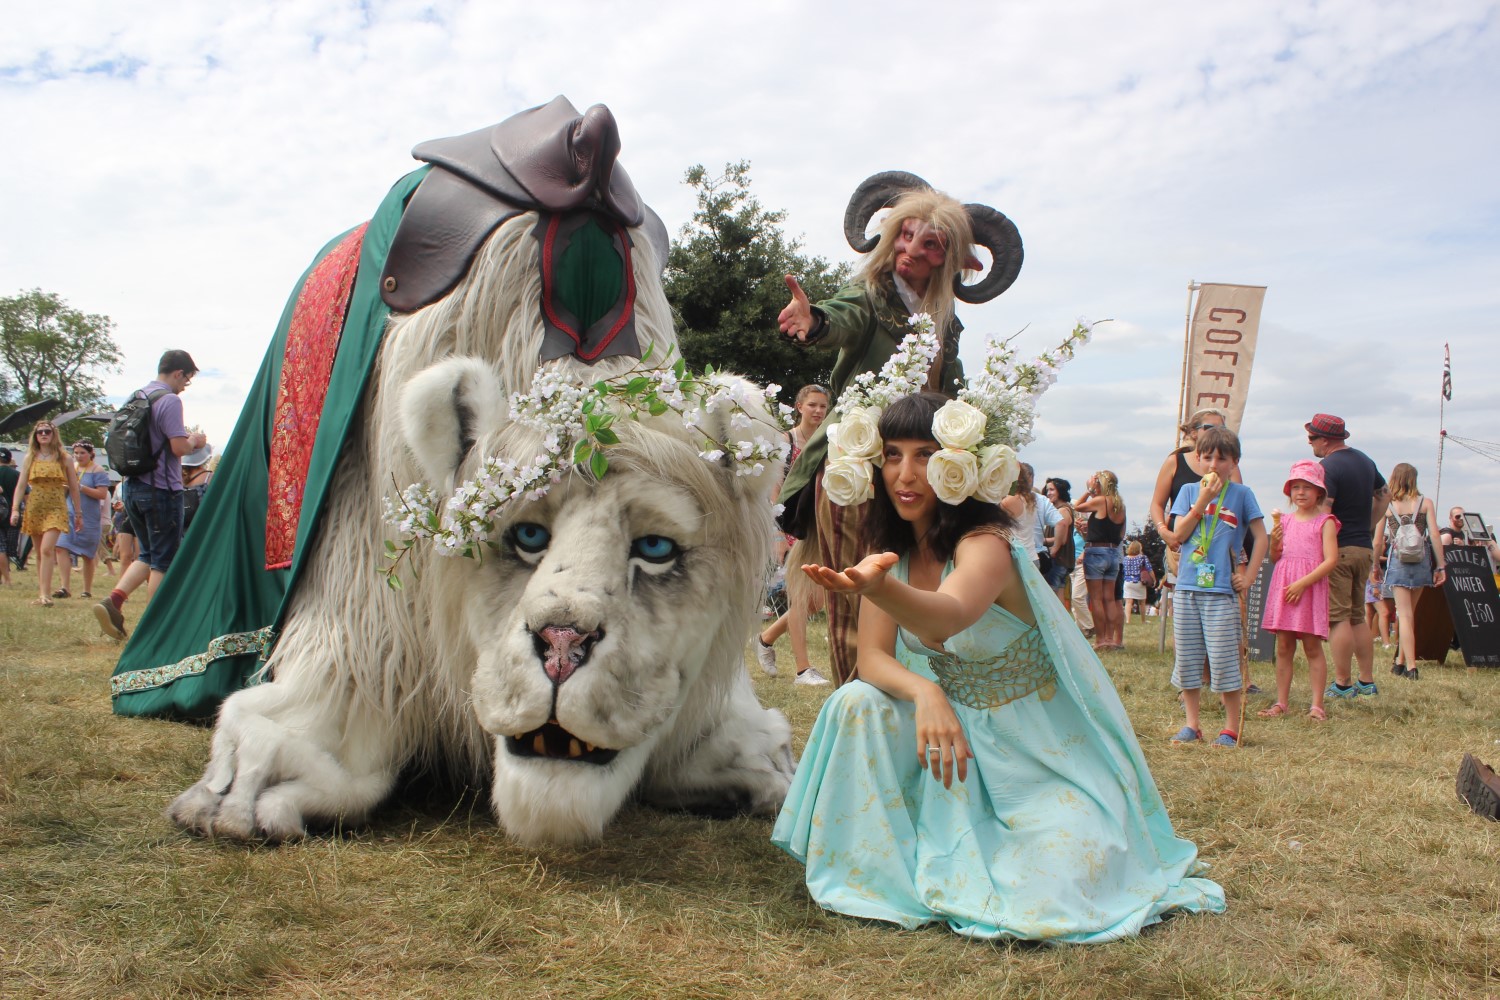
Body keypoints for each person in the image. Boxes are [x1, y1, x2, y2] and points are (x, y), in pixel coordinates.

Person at [772, 392, 1225, 940]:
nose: (905, 474)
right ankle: (872, 867)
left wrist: (879, 587)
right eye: (892, 455)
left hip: (1036, 753)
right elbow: (870, 658)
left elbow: (947, 616)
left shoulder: (984, 544)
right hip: (954, 746)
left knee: (1053, 891)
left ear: (958, 466)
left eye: (924, 455)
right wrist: (925, 692)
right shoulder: (891, 550)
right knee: (854, 702)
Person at [775, 177, 1021, 685]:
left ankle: (919, 695)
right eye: (904, 234)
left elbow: (955, 391)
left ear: (953, 260)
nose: (910, 249)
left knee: (917, 583)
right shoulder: (869, 294)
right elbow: (839, 319)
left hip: (922, 475)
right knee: (856, 591)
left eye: (928, 243)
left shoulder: (944, 321)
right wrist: (815, 321)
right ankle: (857, 709)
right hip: (857, 468)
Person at [1164, 427, 1267, 748]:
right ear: (1198, 458)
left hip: (1221, 592)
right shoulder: (1189, 492)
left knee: (1224, 658)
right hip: (1187, 590)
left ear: (1234, 462)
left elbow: (1262, 537)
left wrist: (1248, 576)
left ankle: (1231, 727)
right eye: (1207, 457)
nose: (1213, 464)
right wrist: (1203, 501)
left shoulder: (1242, 494)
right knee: (1188, 658)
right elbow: (1178, 534)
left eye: (1222, 458)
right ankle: (1192, 725)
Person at [94, 350, 208, 639]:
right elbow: (179, 448)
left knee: (148, 553)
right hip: (160, 490)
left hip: (132, 486)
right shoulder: (169, 400)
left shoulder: (137, 395)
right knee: (163, 561)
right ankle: (157, 631)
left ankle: (115, 600)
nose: (185, 385)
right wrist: (195, 440)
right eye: (187, 379)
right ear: (179, 373)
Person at [1307, 413, 1389, 700]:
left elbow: (1324, 509)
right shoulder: (1365, 460)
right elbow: (1384, 494)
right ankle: (1366, 681)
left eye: (1312, 437)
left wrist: (1315, 545)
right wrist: (1368, 524)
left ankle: (1342, 683)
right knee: (1357, 616)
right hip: (1364, 549)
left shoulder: (1327, 466)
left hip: (1338, 549)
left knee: (1338, 618)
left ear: (1326, 440)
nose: (1311, 443)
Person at [756, 384, 832, 685]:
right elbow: (773, 489)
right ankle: (803, 670)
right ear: (799, 406)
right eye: (812, 405)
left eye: (823, 406)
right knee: (802, 598)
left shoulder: (827, 441)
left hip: (819, 528)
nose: (818, 411)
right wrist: (778, 536)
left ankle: (765, 638)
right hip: (792, 527)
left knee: (819, 599)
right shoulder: (785, 441)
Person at [1258, 461, 1340, 721]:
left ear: (1319, 492)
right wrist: (1276, 543)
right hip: (1285, 587)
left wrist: (1303, 583)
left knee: (1312, 646)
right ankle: (1281, 702)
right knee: (1283, 646)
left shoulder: (1325, 522)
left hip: (1308, 588)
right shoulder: (1284, 521)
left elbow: (1331, 560)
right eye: (1296, 487)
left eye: (1307, 487)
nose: (1301, 492)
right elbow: (1274, 558)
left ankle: (1317, 705)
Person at [1371, 463, 1446, 680]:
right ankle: (1399, 662)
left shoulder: (1388, 505)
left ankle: (1411, 667)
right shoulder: (1425, 503)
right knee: (1409, 615)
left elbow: (1377, 542)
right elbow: (1434, 535)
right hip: (1421, 561)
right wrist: (1440, 566)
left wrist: (1375, 566)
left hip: (1398, 561)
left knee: (1404, 616)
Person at [8, 420, 83, 607]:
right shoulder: (30, 457)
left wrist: (79, 512)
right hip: (35, 506)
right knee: (40, 553)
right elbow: (21, 485)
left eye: (47, 431)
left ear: (53, 434)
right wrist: (15, 509)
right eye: (40, 432)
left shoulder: (64, 458)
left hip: (56, 506)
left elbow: (74, 487)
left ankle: (46, 596)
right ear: (35, 435)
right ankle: (43, 593)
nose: (43, 434)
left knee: (47, 549)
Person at [54, 440, 112, 598]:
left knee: (88, 554)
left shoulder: (98, 470)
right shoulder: (71, 468)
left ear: (90, 454)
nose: (79, 456)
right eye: (76, 453)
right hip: (69, 514)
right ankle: (64, 587)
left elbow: (101, 494)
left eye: (82, 453)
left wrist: (81, 488)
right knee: (60, 546)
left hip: (90, 518)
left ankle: (87, 590)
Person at [1076, 470, 1126, 650]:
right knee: (1110, 599)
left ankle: (1101, 640)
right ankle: (1111, 639)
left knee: (1096, 599)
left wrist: (1089, 491)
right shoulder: (1120, 506)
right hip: (1113, 554)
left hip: (1096, 552)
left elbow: (1077, 506)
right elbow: (1121, 534)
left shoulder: (1100, 501)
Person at [1042, 477, 1075, 604]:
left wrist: (1046, 543)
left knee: (1051, 597)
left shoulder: (1062, 510)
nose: (1048, 493)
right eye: (1047, 490)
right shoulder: (1061, 509)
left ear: (1060, 491)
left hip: (1058, 559)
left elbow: (1062, 538)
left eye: (1052, 490)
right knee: (1059, 594)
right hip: (1062, 560)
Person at [1121, 540, 1153, 625]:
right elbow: (1149, 569)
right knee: (1142, 602)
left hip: (1128, 582)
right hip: (1139, 582)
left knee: (1128, 602)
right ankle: (1143, 620)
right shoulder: (1142, 557)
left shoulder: (1125, 558)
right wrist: (1153, 579)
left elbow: (1122, 571)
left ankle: (1127, 620)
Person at [0, 447, 17, 585]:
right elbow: (26, 496)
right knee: (6, 548)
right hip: (13, 515)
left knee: (1, 548)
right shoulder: (16, 474)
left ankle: (6, 579)